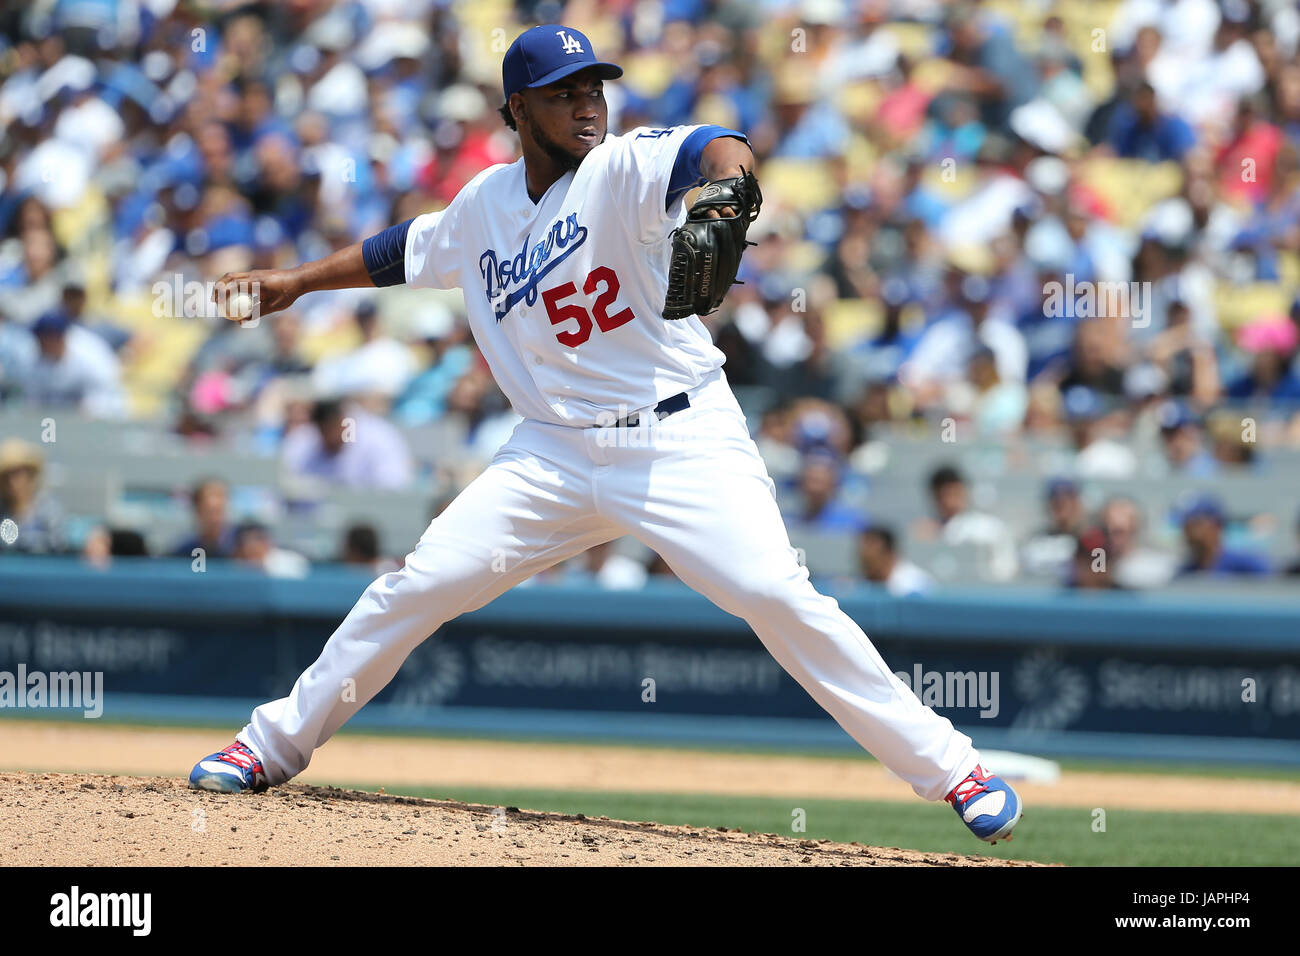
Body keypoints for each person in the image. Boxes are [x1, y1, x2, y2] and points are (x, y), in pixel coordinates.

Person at [186, 24, 1021, 845]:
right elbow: (405, 248)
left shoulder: (623, 166)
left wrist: (730, 195)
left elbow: (717, 146)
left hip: (678, 437)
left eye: (594, 88)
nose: (588, 103)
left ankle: (957, 771)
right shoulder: (484, 205)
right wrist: (295, 282)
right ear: (519, 108)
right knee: (417, 586)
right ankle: (267, 747)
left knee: (775, 594)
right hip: (550, 452)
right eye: (565, 93)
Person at [1177, 495, 1271, 577]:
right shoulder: (1186, 571)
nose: (1189, 531)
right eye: (1185, 524)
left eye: (1196, 523)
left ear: (1217, 525)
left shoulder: (1248, 565)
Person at [0, 439, 65, 554]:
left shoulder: (49, 510)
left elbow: (58, 548)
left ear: (30, 475)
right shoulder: (2, 513)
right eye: (7, 476)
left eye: (18, 474)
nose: (13, 482)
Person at [857, 524, 935, 597]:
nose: (868, 566)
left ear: (889, 553)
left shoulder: (914, 584)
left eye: (872, 560)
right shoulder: (860, 584)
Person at [172, 477, 236, 559]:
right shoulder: (184, 550)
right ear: (197, 510)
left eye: (219, 511)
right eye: (210, 511)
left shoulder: (243, 547)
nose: (215, 520)